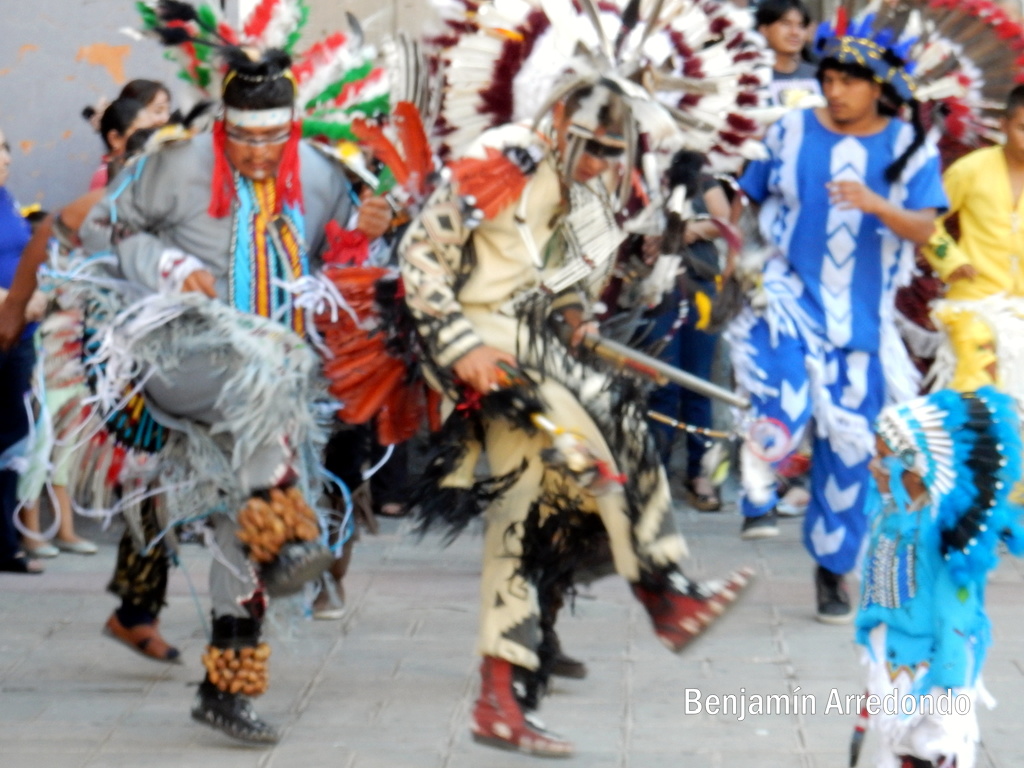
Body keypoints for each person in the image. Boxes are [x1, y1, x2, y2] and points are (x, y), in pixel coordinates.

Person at [1, 45, 389, 744]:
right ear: (222, 126)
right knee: (265, 371)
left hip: (268, 395)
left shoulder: (322, 176)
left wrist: (365, 234)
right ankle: (283, 534)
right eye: (243, 136)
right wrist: (168, 261)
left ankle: (226, 686)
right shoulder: (176, 166)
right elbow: (99, 224)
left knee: (247, 523)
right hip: (175, 355)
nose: (258, 152)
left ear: (294, 129)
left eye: (273, 137)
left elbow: (340, 255)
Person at [400, 78, 753, 757]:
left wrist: (574, 321)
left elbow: (557, 282)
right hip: (480, 344)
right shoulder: (504, 156)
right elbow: (421, 257)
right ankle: (665, 596)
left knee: (526, 513)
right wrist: (460, 346)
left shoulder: (589, 189)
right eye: (590, 147)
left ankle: (499, 698)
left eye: (612, 152)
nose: (597, 162)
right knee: (605, 426)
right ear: (560, 119)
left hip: (533, 347)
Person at [728, 26, 947, 623]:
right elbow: (742, 196)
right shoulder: (791, 130)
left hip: (863, 324)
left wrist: (876, 204)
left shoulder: (908, 144)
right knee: (779, 397)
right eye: (826, 80)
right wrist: (723, 240)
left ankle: (832, 570)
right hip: (787, 299)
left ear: (877, 88)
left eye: (847, 81)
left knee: (848, 453)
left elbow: (928, 230)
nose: (833, 90)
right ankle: (757, 494)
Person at [858, 385, 1022, 768]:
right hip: (894, 664)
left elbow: (956, 620)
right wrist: (873, 653)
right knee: (892, 754)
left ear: (914, 471)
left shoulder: (946, 542)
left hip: (932, 679)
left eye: (882, 459)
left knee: (935, 752)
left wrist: (948, 697)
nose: (871, 466)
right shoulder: (893, 517)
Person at [922, 85, 1024, 407]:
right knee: (979, 388)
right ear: (1005, 125)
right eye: (1023, 128)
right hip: (972, 302)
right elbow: (927, 220)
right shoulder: (971, 168)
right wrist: (950, 260)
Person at [0, 127, 47, 574]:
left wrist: (37, 294)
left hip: (17, 333)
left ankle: (5, 542)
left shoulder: (8, 200)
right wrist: (13, 299)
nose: (6, 157)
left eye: (5, 147)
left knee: (14, 434)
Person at [755, 0, 822, 107]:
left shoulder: (818, 75)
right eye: (786, 24)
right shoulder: (752, 79)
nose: (795, 32)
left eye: (801, 26)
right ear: (764, 30)